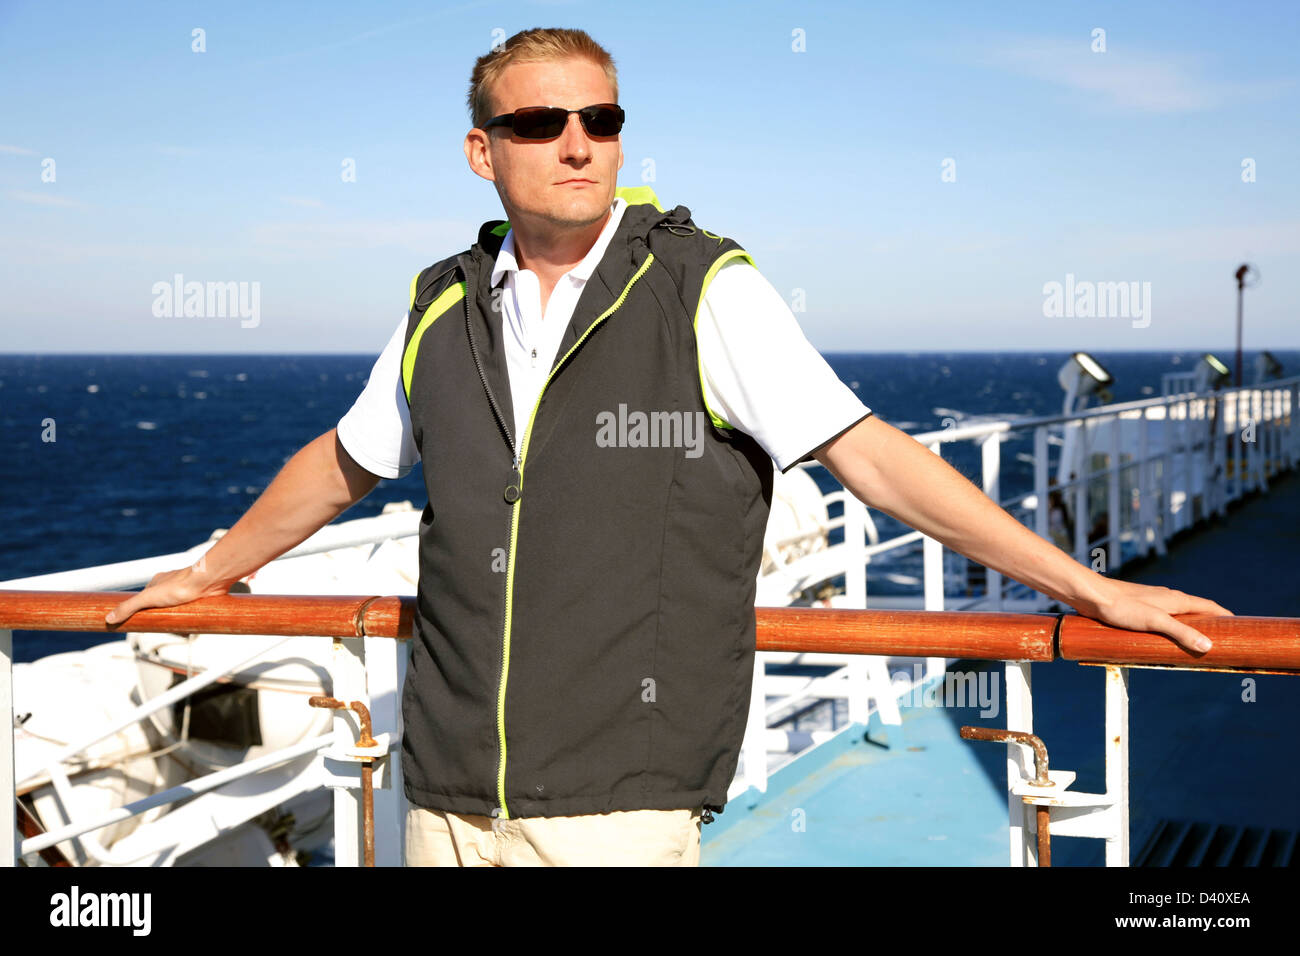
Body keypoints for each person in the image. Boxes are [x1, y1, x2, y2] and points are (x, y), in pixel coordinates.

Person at [105, 27, 1234, 867]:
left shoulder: (701, 290)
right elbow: (344, 459)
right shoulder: (440, 306)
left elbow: (870, 456)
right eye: (542, 124)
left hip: (618, 806)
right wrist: (215, 570)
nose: (579, 144)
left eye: (601, 119)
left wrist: (1092, 587)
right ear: (479, 149)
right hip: (443, 794)